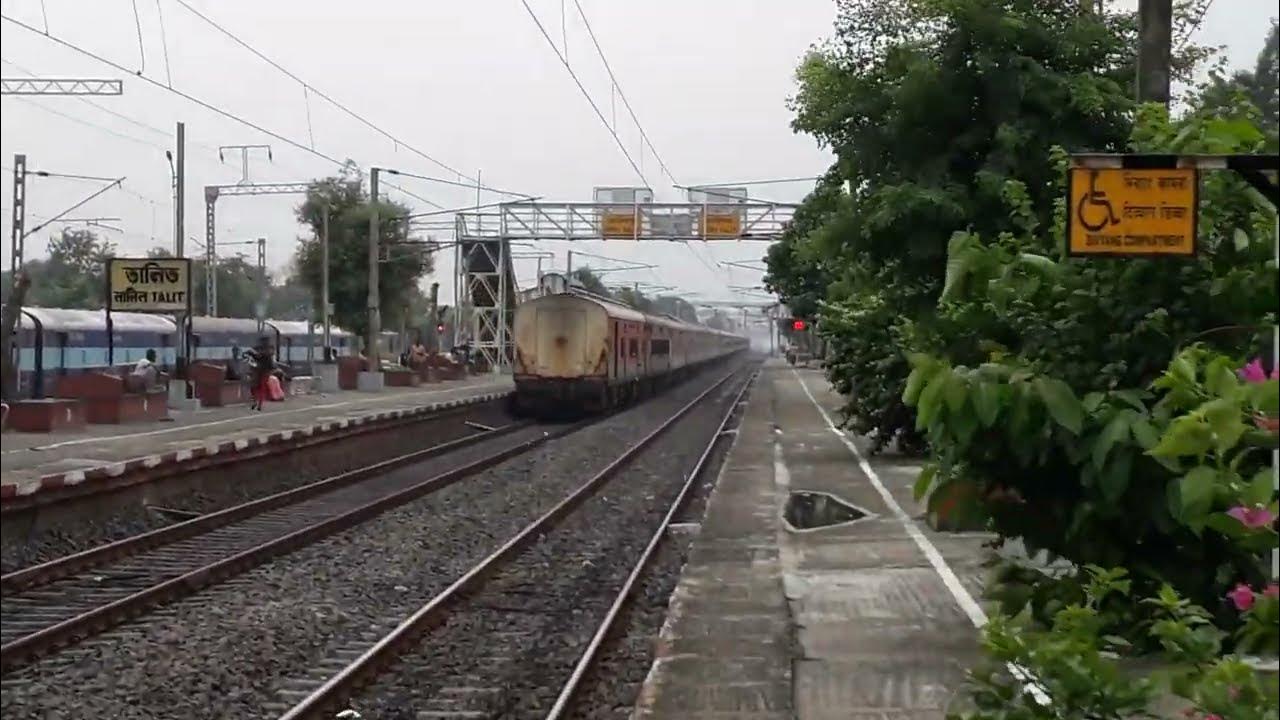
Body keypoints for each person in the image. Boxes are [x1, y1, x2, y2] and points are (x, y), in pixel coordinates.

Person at [244, 337, 275, 411]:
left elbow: (259, 356)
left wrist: (251, 353)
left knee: (257, 387)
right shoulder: (268, 349)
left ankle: (257, 403)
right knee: (259, 387)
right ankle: (258, 403)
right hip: (262, 370)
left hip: (260, 370)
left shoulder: (266, 350)